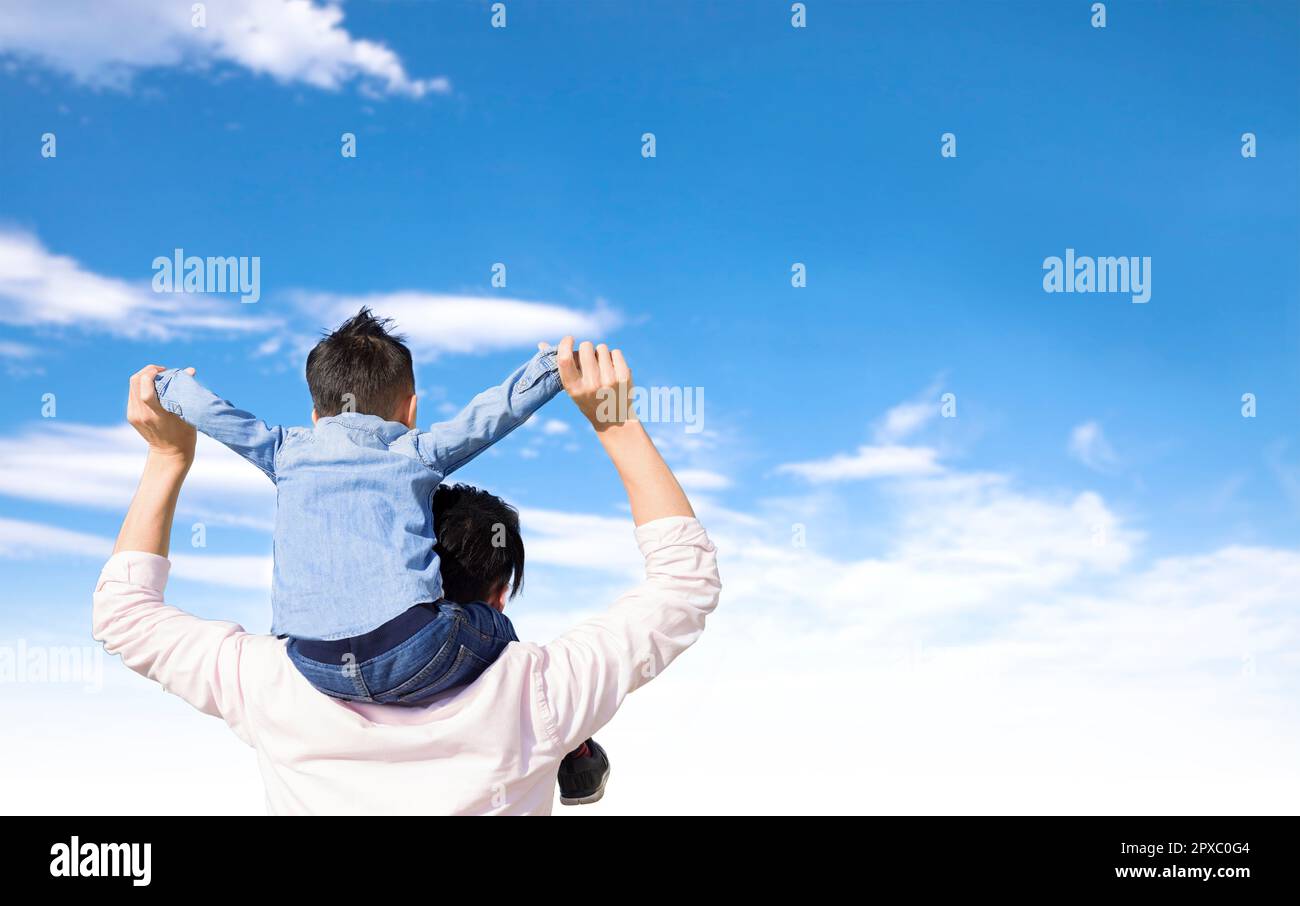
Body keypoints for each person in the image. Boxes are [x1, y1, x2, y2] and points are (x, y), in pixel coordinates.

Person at [93, 339, 721, 814]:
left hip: (313, 664)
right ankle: (576, 749)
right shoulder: (540, 693)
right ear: (410, 409)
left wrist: (168, 450)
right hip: (464, 654)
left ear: (317, 415)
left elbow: (122, 615)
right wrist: (612, 418)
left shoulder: (265, 682)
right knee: (499, 637)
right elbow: (683, 585)